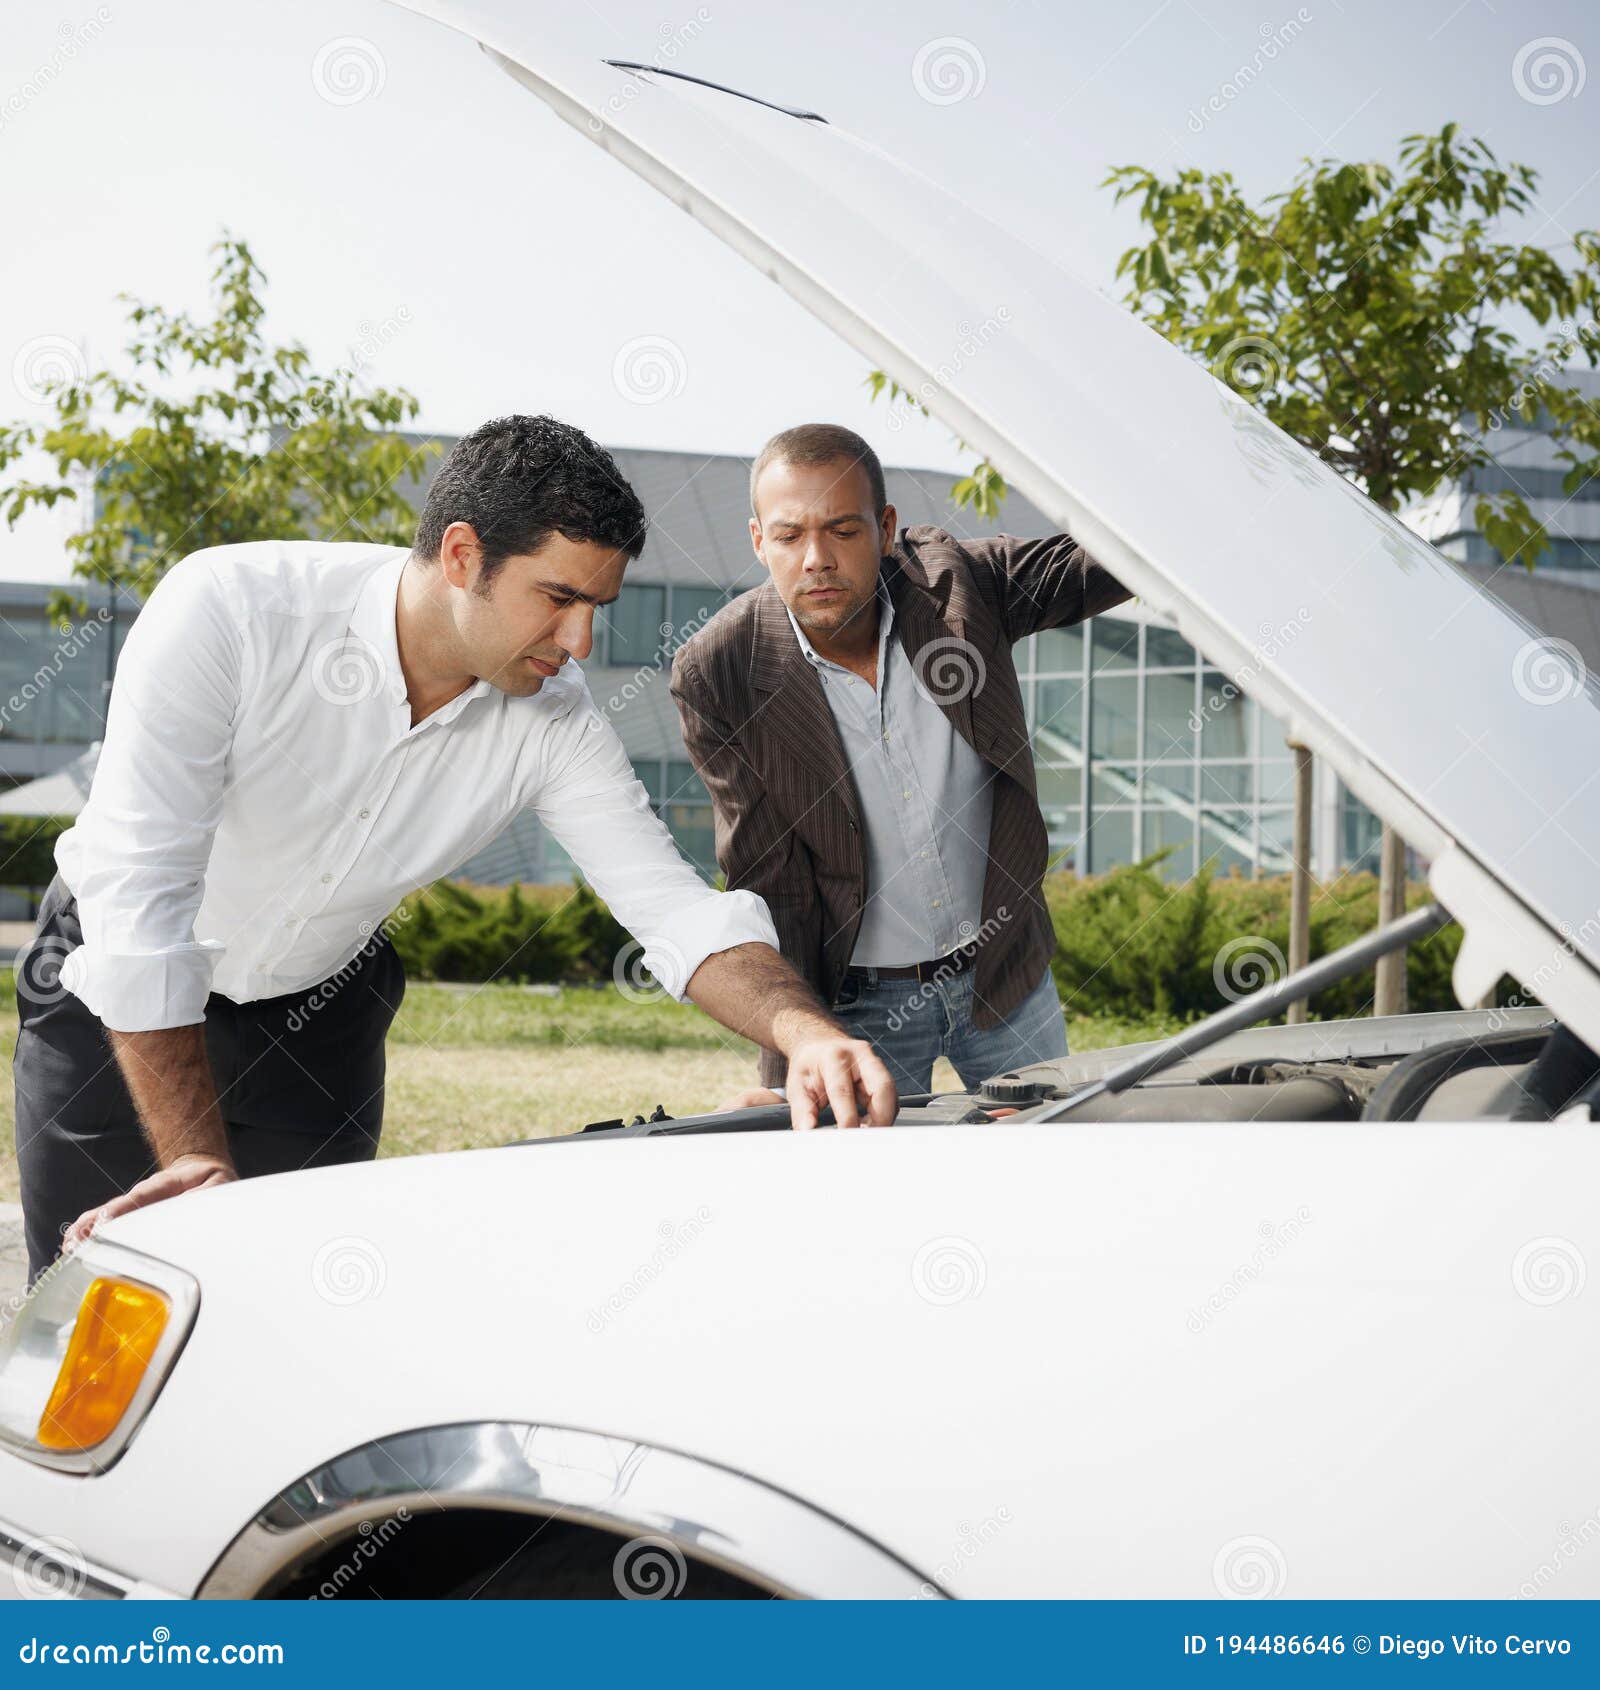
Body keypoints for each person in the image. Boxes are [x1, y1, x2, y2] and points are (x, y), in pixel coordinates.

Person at [14, 415, 894, 1283]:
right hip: (115, 1009)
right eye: (557, 598)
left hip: (319, 1017)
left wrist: (803, 1029)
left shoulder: (555, 719)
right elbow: (144, 897)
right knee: (97, 1318)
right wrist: (195, 1164)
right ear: (464, 555)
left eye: (597, 607)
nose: (580, 642)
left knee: (300, 1314)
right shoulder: (229, 609)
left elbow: (670, 906)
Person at [670, 423, 1131, 1102]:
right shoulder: (720, 671)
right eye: (790, 534)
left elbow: (1106, 563)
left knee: (1038, 1173)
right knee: (867, 1201)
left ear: (886, 528)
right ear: (758, 541)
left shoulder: (958, 583)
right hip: (855, 1006)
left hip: (1004, 972)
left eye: (843, 530)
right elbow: (769, 880)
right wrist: (793, 1050)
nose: (817, 558)